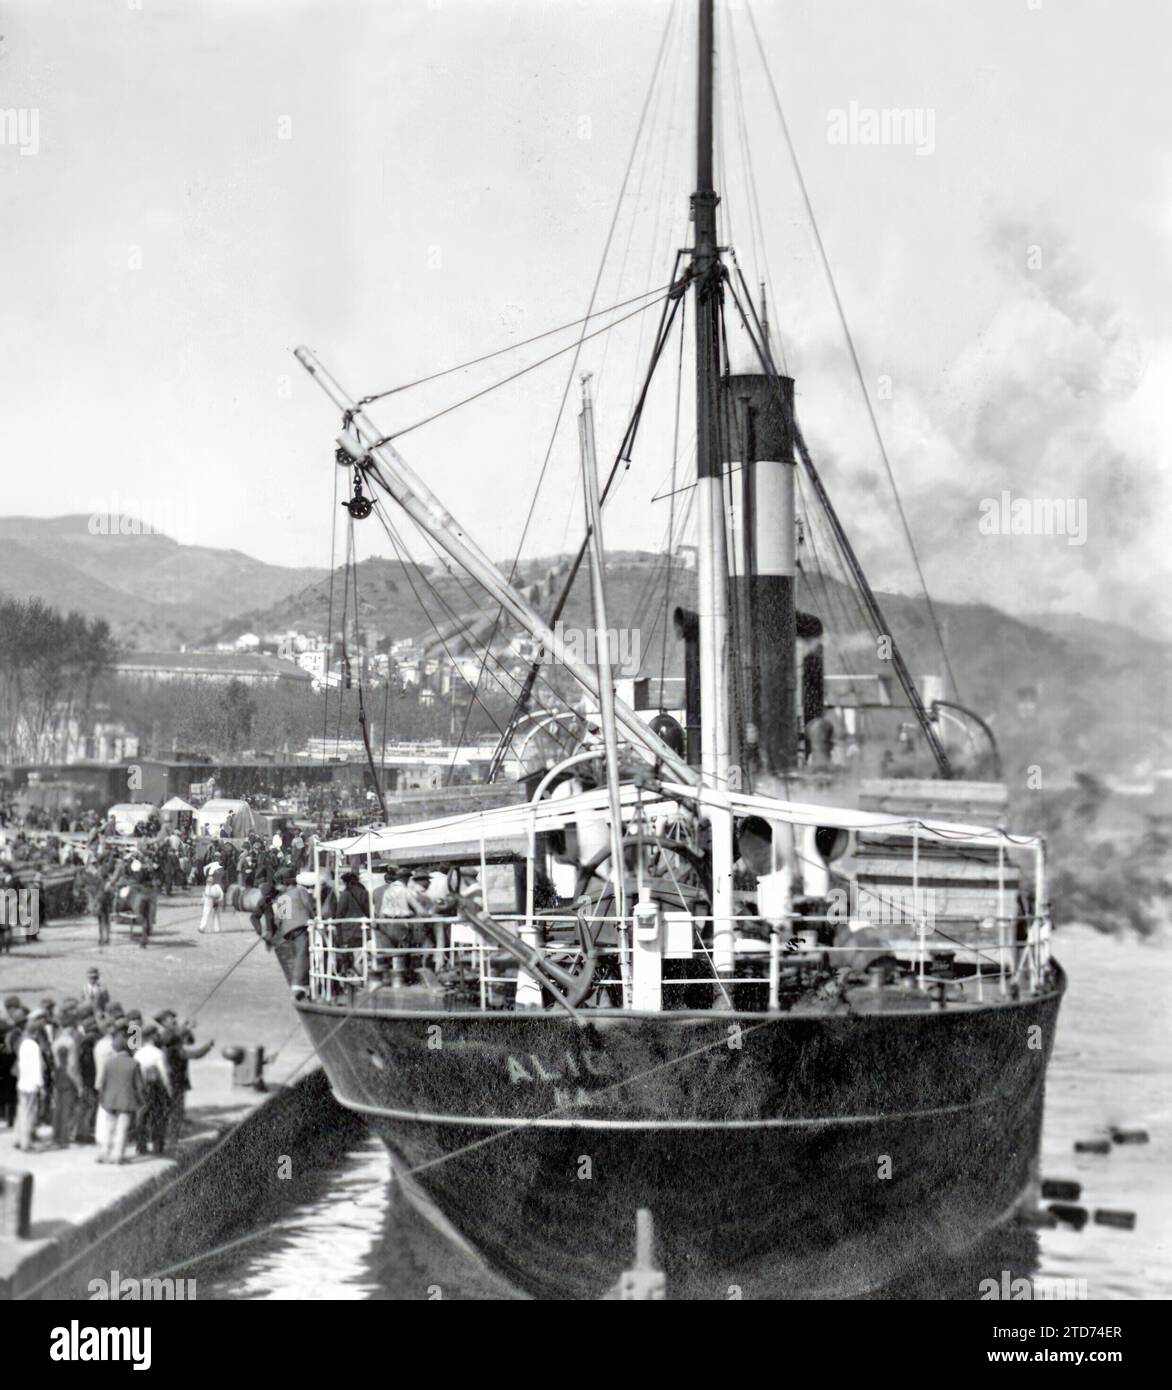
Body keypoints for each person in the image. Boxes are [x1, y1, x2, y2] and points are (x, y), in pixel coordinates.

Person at [96, 1030, 144, 1165]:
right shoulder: (134, 1063)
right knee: (122, 1129)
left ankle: (103, 1154)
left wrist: (102, 1099)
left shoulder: (109, 1062)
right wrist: (142, 1101)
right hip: (126, 1101)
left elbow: (103, 1083)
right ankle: (118, 1156)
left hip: (110, 1100)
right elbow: (139, 1087)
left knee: (108, 1128)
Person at [134, 1025, 172, 1156]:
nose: (158, 1037)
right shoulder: (158, 1053)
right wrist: (169, 1090)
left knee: (141, 1118)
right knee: (158, 1117)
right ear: (152, 1037)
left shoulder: (138, 1053)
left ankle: (141, 1146)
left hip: (141, 1087)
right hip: (155, 1088)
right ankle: (157, 1145)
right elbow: (164, 1074)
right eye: (156, 1035)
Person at [50, 1007, 82, 1147]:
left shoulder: (56, 1041)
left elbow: (56, 1062)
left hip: (57, 1076)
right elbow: (72, 1066)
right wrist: (79, 1085)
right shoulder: (71, 1042)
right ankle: (63, 1139)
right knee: (67, 1109)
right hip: (68, 1078)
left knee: (58, 1108)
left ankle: (55, 1136)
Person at [15, 1016, 46, 1151]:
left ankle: (19, 1138)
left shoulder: (23, 1044)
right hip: (32, 1084)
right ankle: (26, 1142)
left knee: (22, 1112)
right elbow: (37, 1068)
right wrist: (41, 1085)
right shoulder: (34, 1046)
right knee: (29, 1114)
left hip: (22, 1082)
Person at [199, 863, 224, 934]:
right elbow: (208, 891)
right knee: (213, 914)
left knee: (207, 913)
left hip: (210, 898)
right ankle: (216, 928)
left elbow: (206, 891)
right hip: (212, 897)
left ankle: (203, 927)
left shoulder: (211, 879)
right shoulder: (216, 879)